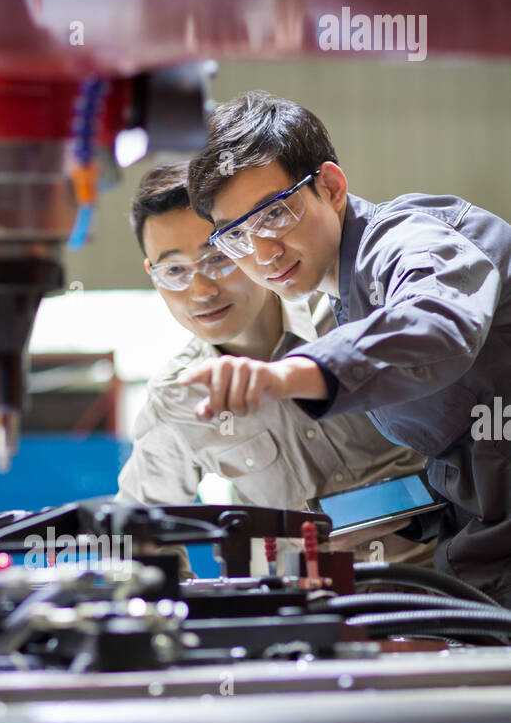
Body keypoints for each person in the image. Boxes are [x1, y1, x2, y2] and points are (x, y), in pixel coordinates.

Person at [184, 91, 511, 603]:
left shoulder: (407, 241)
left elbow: (438, 321)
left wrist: (285, 375)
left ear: (331, 186)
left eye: (274, 214)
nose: (263, 252)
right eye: (236, 237)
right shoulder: (346, 294)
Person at [117, 162, 434, 572]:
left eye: (217, 257)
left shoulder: (349, 315)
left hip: (446, 590)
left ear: (247, 240)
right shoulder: (180, 397)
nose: (201, 291)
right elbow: (137, 528)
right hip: (306, 618)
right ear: (153, 274)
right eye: (174, 270)